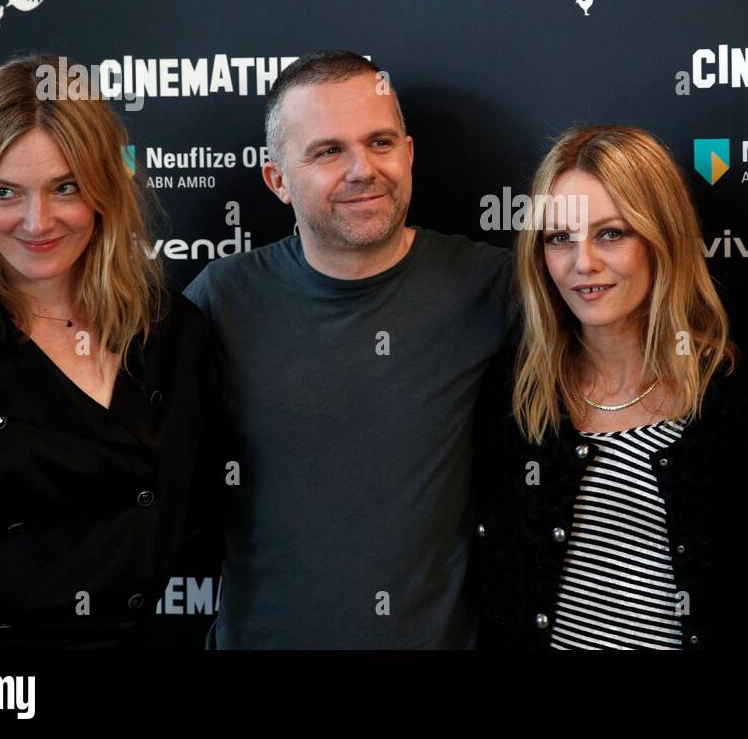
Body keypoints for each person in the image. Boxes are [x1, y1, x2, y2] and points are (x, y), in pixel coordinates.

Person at [0, 55, 223, 648]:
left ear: (104, 191)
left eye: (64, 187)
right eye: (5, 192)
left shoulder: (173, 330)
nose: (37, 222)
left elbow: (209, 511)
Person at [183, 51, 511, 648]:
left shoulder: (494, 288)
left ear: (409, 154)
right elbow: (123, 469)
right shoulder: (221, 299)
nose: (363, 169)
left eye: (380, 142)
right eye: (328, 151)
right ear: (277, 180)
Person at [472, 125, 748, 649]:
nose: (584, 264)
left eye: (611, 233)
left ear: (662, 236)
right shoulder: (513, 392)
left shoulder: (731, 391)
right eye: (560, 239)